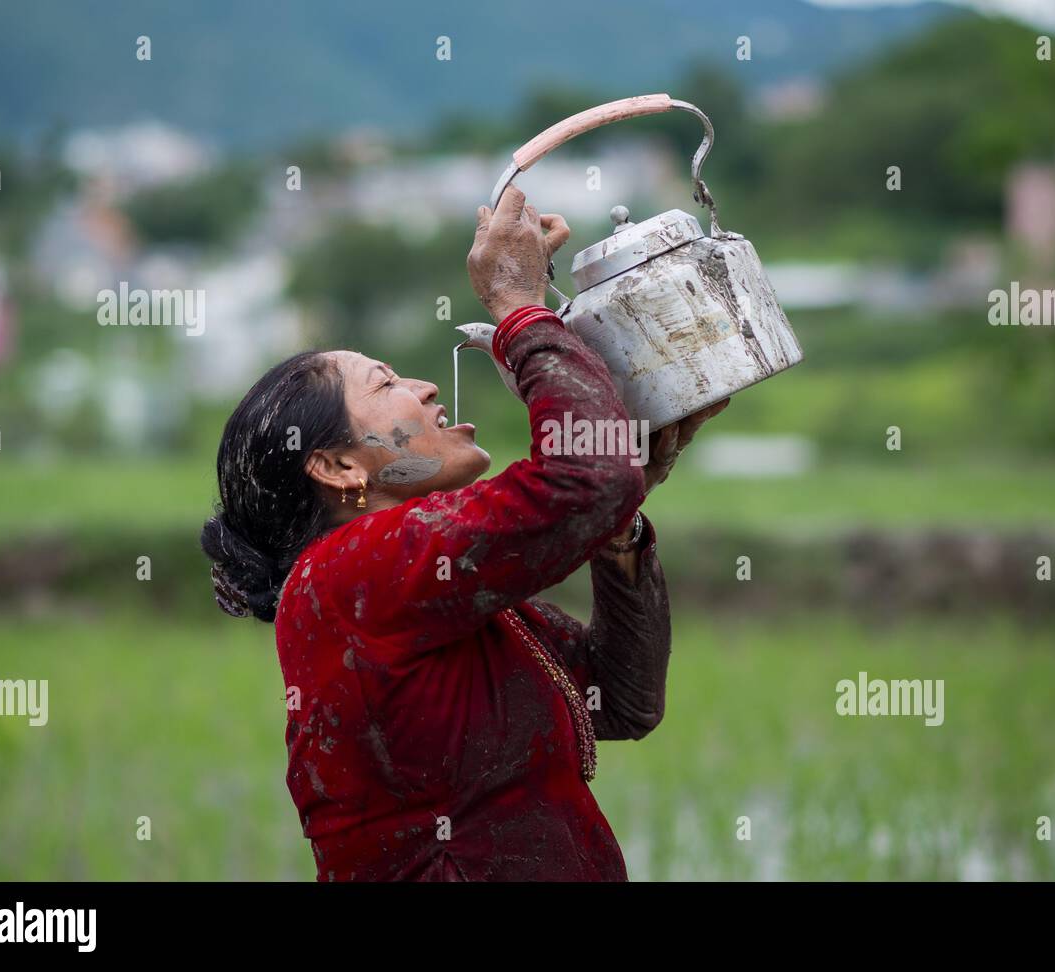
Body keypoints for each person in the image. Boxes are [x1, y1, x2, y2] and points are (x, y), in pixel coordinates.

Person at [200, 185, 728, 880]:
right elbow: (586, 479)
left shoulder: (427, 589)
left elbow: (621, 699)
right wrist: (518, 308)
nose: (421, 387)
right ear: (335, 466)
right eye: (385, 383)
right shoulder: (346, 573)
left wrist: (618, 524)